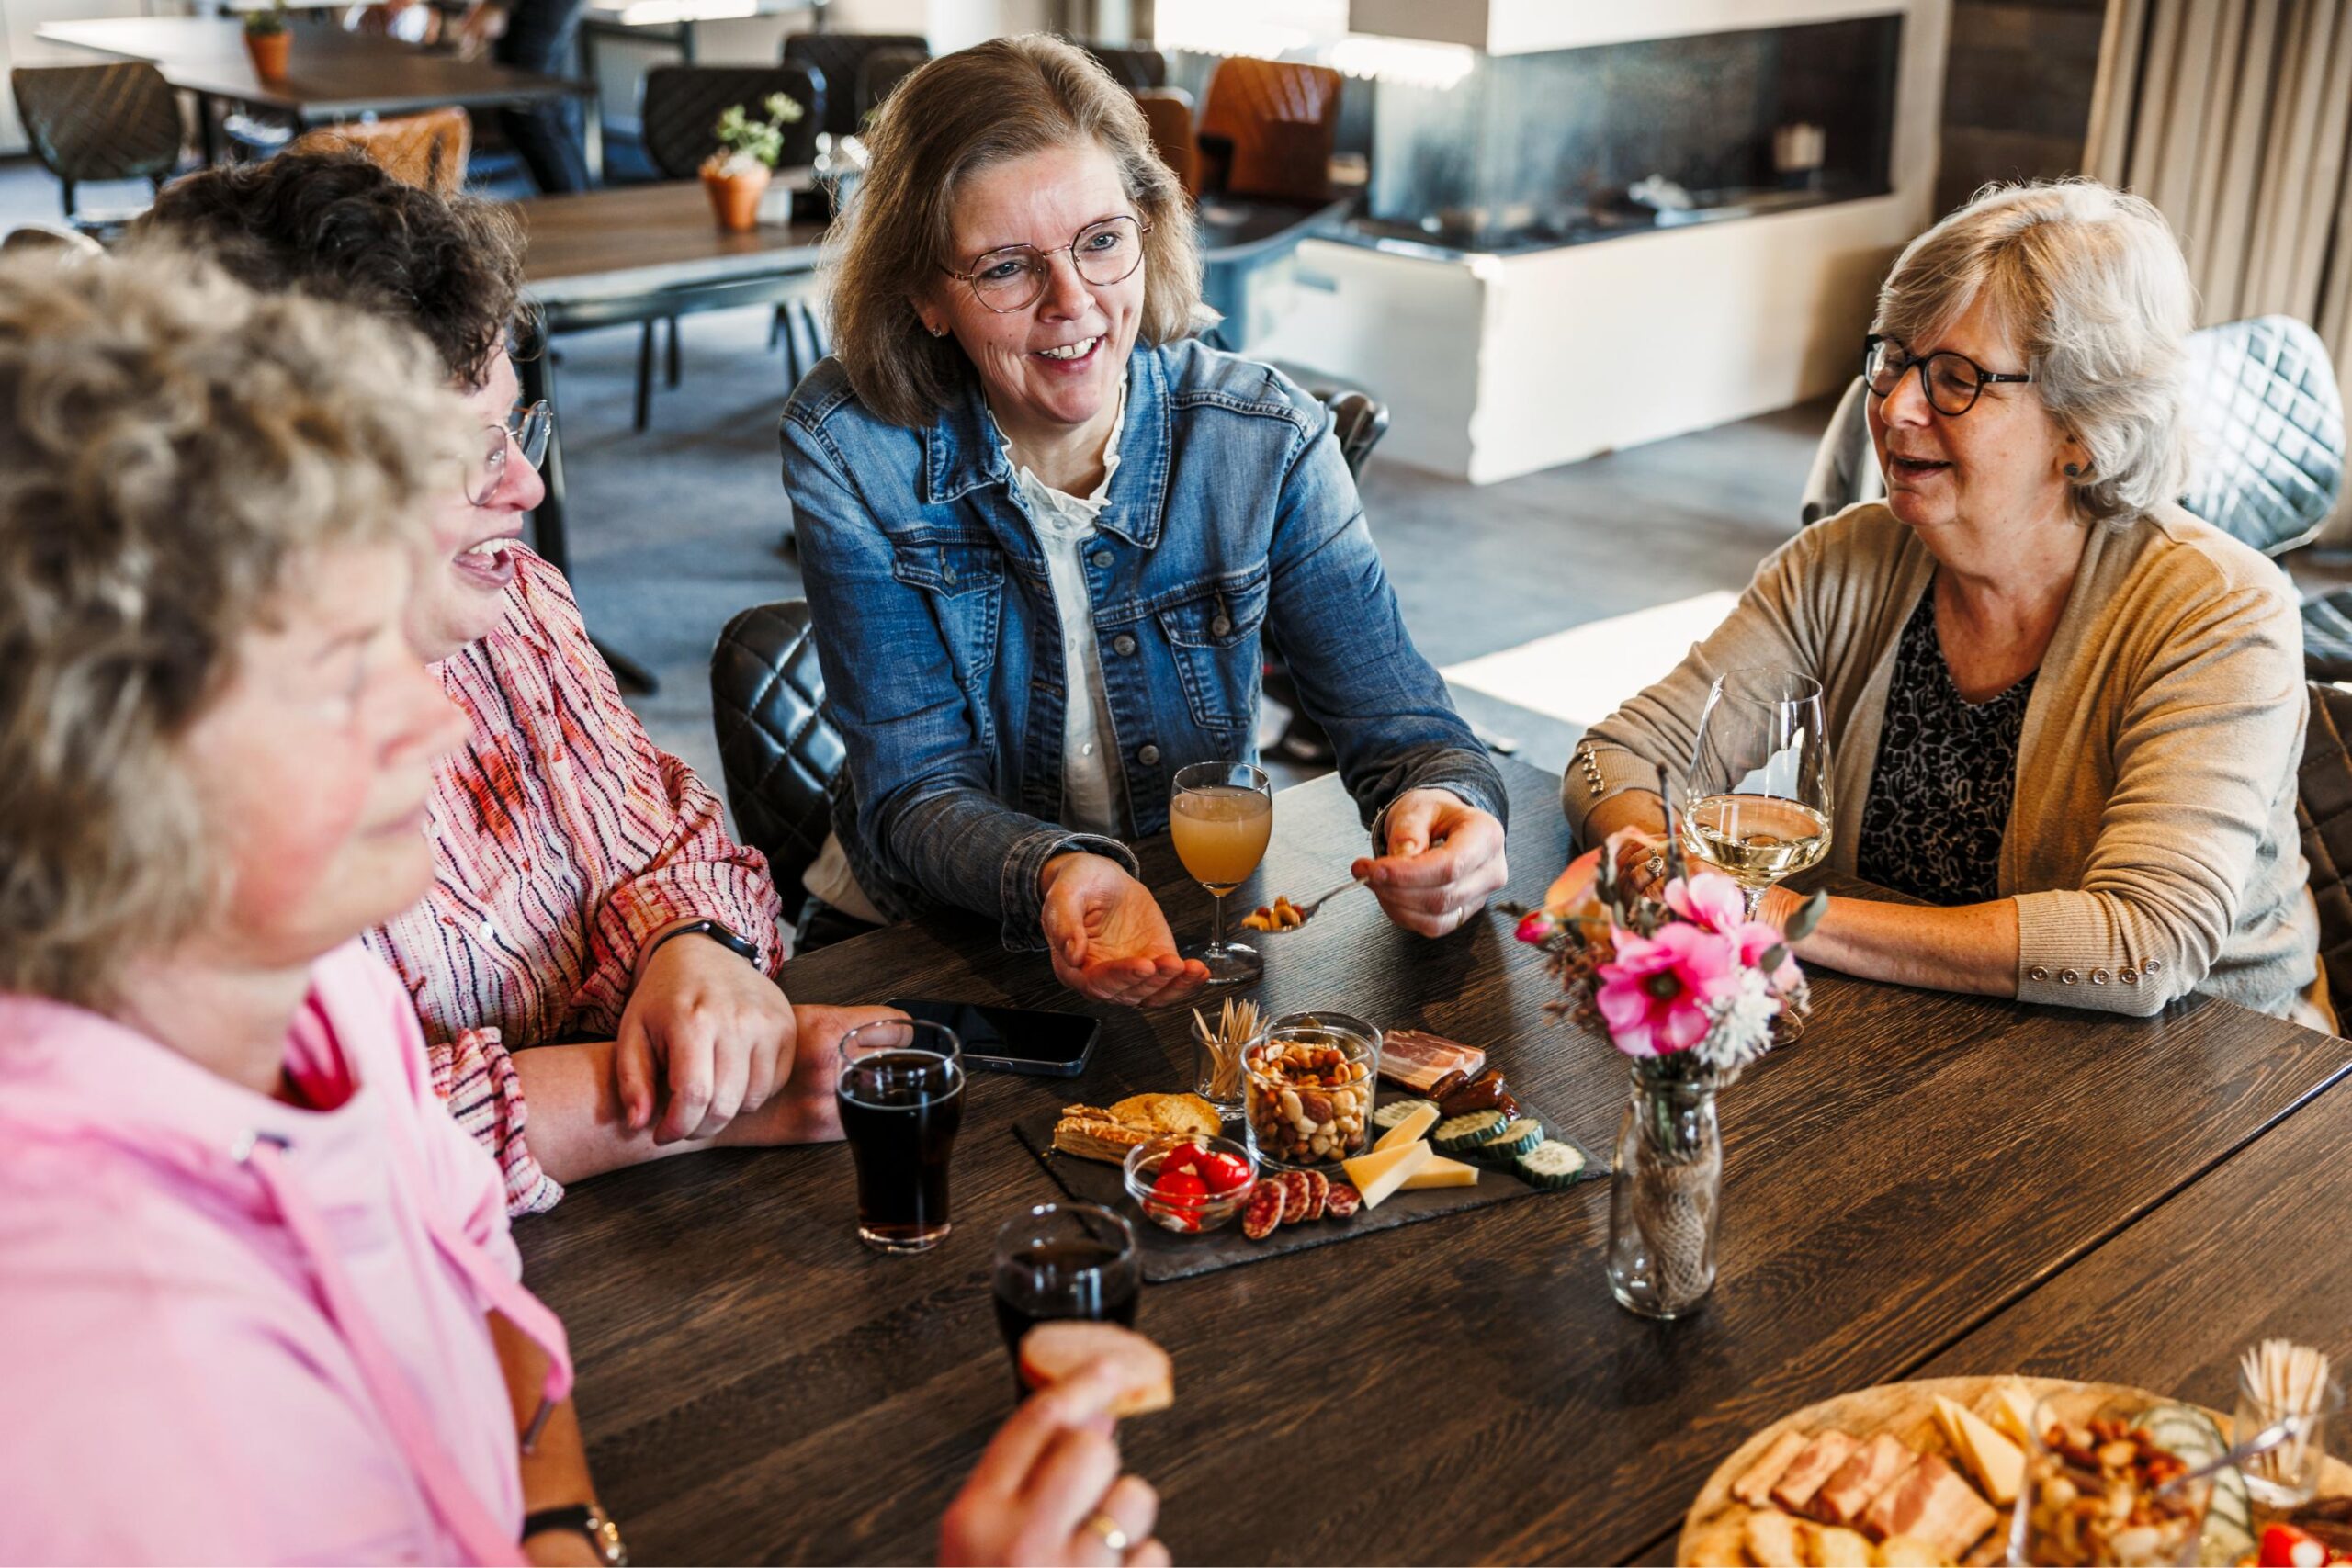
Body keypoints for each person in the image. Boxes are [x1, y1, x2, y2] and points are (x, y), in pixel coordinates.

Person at [0, 247, 1170, 1567]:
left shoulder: (318, 1012)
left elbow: (474, 1293)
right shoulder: (92, 1360)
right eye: (339, 665)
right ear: (106, 745)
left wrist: (558, 1530)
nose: (424, 717)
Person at [142, 150, 883, 1215]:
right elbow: (269, 1165)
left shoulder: (511, 605)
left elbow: (666, 835)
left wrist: (695, 950)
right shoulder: (153, 773)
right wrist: (674, 1101)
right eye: (466, 453)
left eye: (516, 426)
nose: (527, 485)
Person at [785, 35, 1509, 1005]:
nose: (1074, 302)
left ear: (1148, 226)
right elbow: (915, 793)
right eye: (1005, 267)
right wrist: (1055, 870)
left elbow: (1406, 731)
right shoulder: (851, 448)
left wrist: (1444, 805)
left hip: (1192, 912)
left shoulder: (1269, 439)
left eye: (1100, 239)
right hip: (924, 936)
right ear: (924, 295)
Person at [1561, 179, 2324, 1026]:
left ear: (2081, 426)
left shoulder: (2219, 610)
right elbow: (1623, 754)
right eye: (1893, 358)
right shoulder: (1845, 561)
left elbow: (2140, 943)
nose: (1894, 407)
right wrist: (1646, 858)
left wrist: (1778, 917)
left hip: (2222, 1082)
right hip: (1925, 1038)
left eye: (1955, 378)